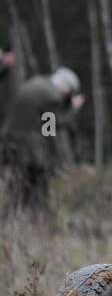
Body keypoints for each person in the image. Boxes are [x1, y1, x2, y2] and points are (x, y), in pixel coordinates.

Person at [0, 66, 83, 211]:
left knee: (16, 185)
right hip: (27, 150)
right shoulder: (51, 97)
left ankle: (15, 218)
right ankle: (36, 218)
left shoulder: (36, 83)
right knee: (36, 185)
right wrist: (73, 109)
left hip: (8, 140)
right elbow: (49, 128)